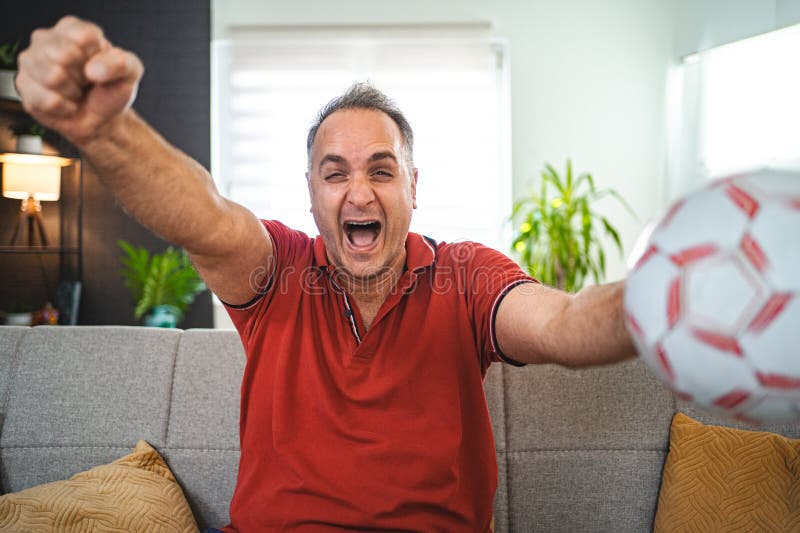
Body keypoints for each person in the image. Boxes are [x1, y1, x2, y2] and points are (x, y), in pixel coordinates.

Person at [15, 16, 636, 532]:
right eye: (335, 173)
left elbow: (561, 322)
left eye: (382, 170)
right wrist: (105, 131)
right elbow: (203, 217)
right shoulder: (278, 269)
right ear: (310, 193)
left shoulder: (465, 274)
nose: (358, 193)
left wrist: (668, 298)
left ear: (413, 188)